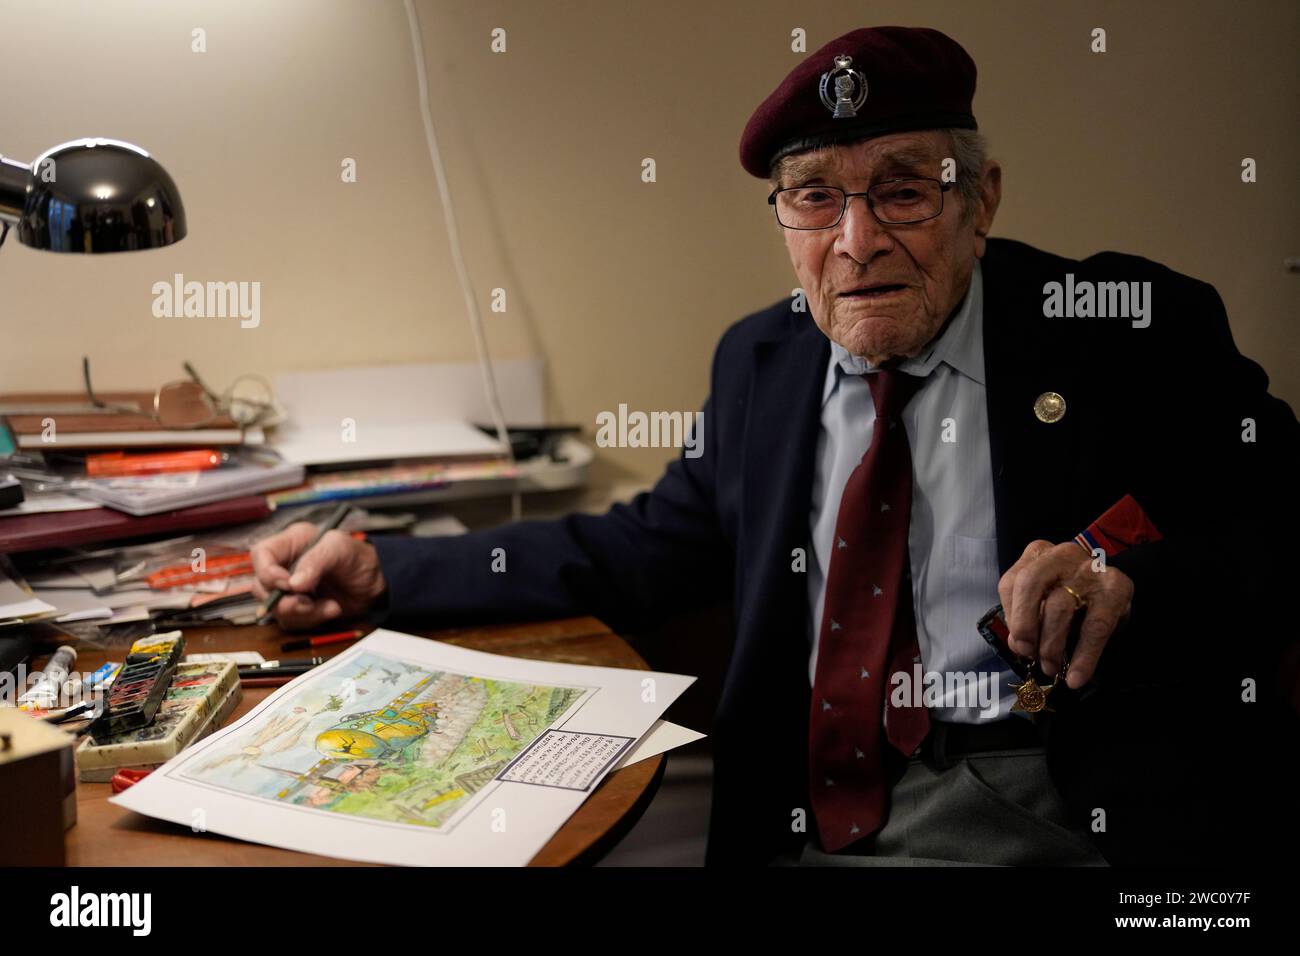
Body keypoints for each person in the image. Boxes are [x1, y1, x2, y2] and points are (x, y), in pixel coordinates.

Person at [252, 26, 1299, 866]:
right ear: (784, 219)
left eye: (900, 188)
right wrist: (386, 567)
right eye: (814, 197)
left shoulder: (1119, 325)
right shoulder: (761, 361)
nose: (855, 241)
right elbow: (647, 544)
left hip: (1041, 793)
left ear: (978, 201)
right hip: (798, 801)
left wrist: (1127, 577)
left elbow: (1282, 524)